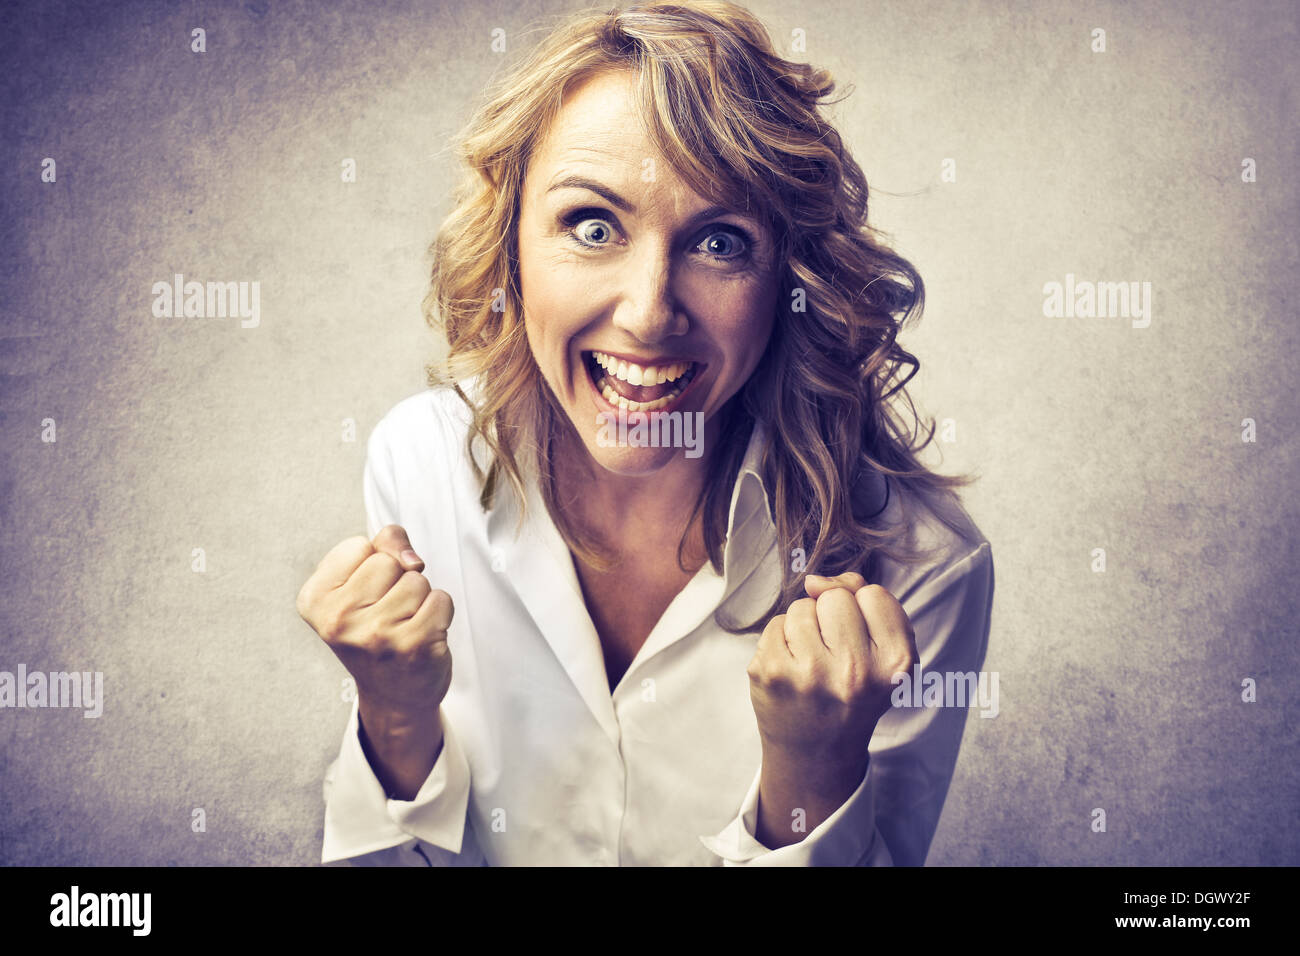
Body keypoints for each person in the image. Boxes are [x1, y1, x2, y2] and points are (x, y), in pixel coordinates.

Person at [296, 0, 994, 866]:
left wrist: (811, 780)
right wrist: (393, 714)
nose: (649, 312)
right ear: (510, 241)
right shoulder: (421, 464)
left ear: (788, 275)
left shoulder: (922, 564)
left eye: (719, 242)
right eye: (592, 227)